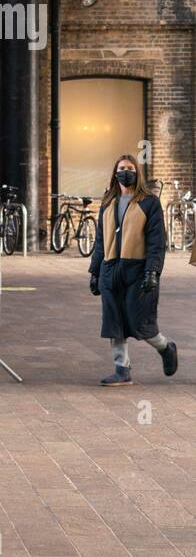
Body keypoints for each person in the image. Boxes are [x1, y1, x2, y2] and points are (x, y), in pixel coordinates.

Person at [89, 154, 178, 386]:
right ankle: (122, 369)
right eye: (121, 168)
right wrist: (95, 271)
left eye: (130, 168)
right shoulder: (108, 202)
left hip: (137, 269)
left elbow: (156, 242)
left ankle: (165, 348)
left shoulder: (149, 202)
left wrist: (152, 271)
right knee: (113, 321)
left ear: (137, 173)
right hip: (110, 269)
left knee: (140, 322)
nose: (125, 171)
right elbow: (100, 240)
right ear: (114, 172)